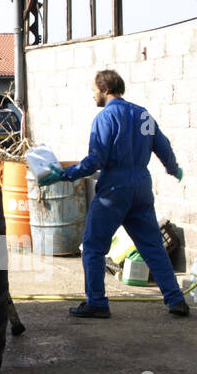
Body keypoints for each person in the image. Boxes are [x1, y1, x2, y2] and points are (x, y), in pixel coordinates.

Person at [38, 69, 189, 318]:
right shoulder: (143, 115)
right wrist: (174, 169)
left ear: (105, 90)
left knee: (93, 246)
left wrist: (63, 175)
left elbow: (95, 161)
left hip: (114, 190)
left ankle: (96, 302)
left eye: (94, 89)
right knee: (152, 246)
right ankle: (175, 299)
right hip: (141, 187)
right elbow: (162, 146)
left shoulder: (105, 118)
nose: (92, 94)